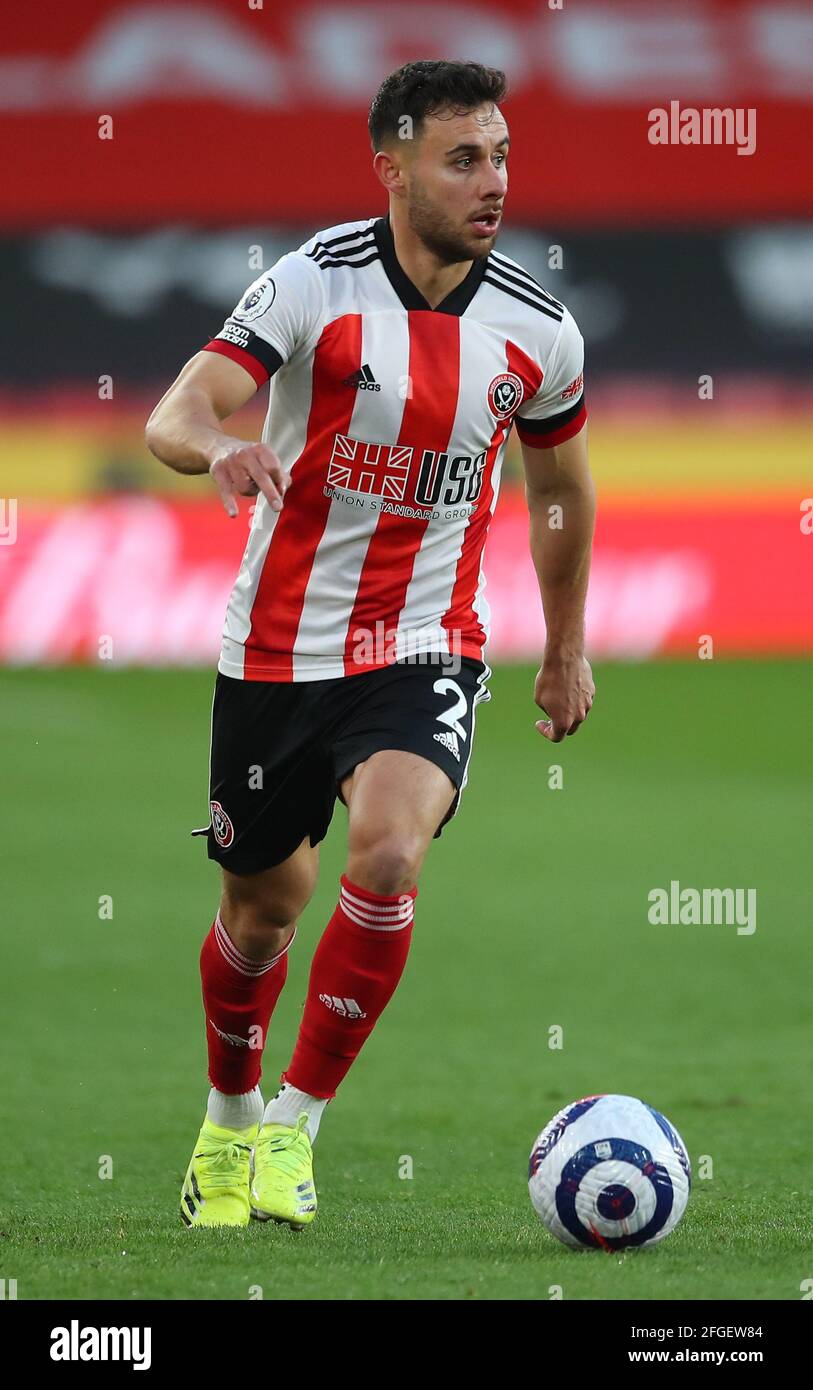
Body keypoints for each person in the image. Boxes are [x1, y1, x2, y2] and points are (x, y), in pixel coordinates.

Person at [145, 59, 595, 1230]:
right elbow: (175, 412)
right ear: (392, 169)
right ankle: (229, 1122)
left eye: (500, 157)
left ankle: (295, 1127)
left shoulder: (540, 330)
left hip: (426, 643)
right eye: (463, 160)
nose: (492, 181)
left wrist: (565, 646)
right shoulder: (313, 282)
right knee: (262, 909)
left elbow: (559, 493)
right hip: (278, 648)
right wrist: (218, 449)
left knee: (389, 855)